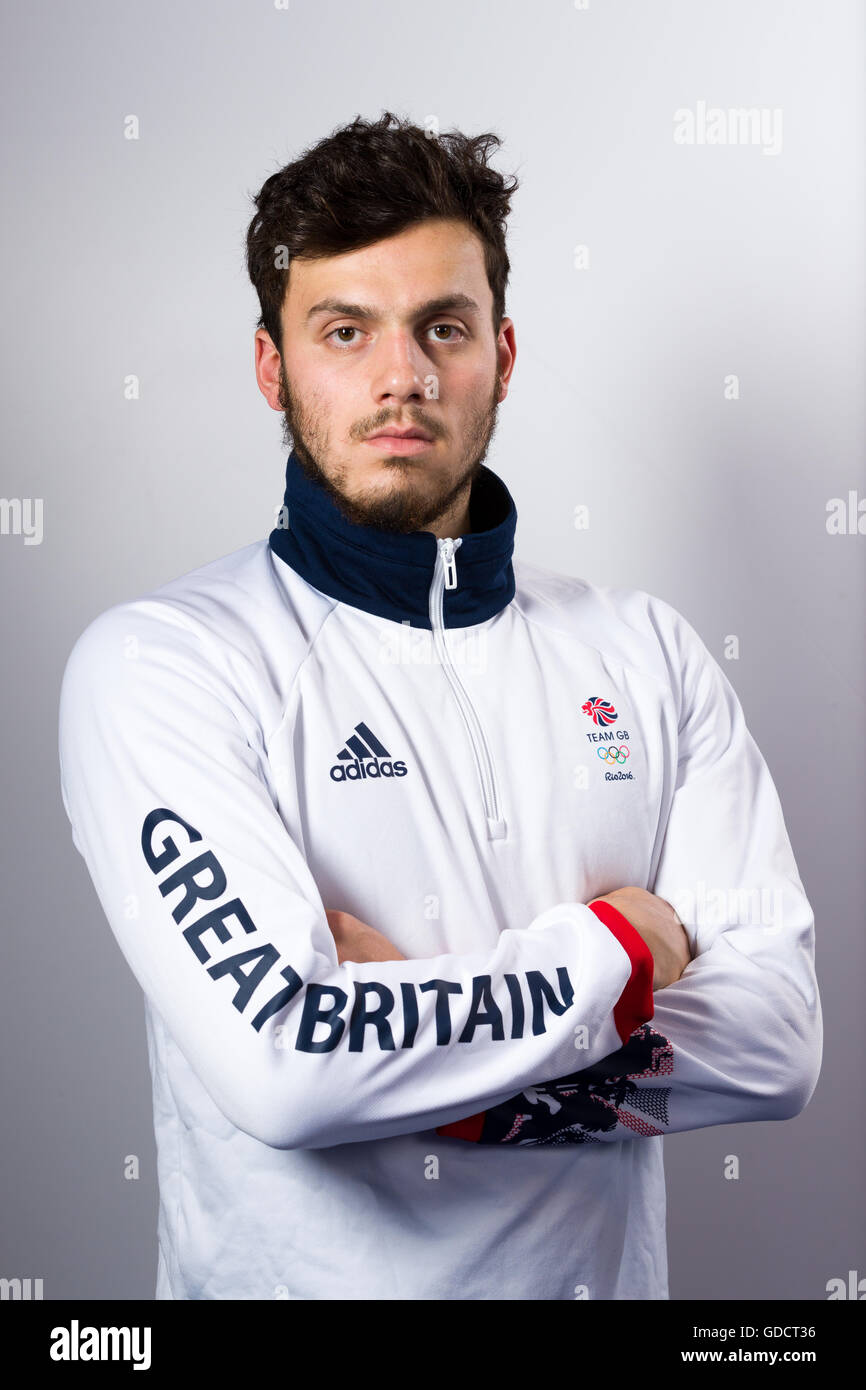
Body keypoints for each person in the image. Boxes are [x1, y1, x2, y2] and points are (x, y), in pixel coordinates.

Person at [58, 111, 822, 1301]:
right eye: (345, 330)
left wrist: (413, 1055)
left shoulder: (648, 654)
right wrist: (624, 949)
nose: (400, 376)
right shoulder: (163, 665)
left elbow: (775, 1046)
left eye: (442, 328)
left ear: (501, 355)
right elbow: (287, 1064)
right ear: (273, 364)